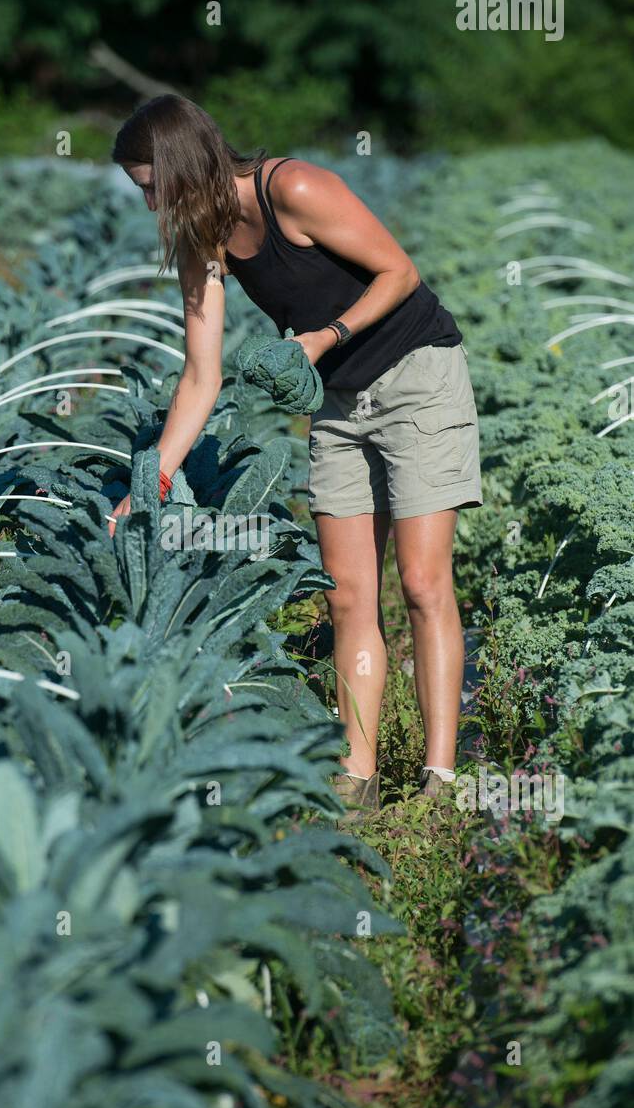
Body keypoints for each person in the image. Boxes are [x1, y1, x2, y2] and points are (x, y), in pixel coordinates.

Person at [109, 94, 482, 819]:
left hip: (420, 379)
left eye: (151, 185)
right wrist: (151, 475)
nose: (149, 202)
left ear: (183, 165)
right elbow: (200, 375)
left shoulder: (295, 190)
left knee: (423, 583)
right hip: (339, 405)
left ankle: (442, 781)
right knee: (346, 593)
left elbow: (399, 273)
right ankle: (359, 772)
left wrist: (321, 337)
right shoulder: (204, 238)